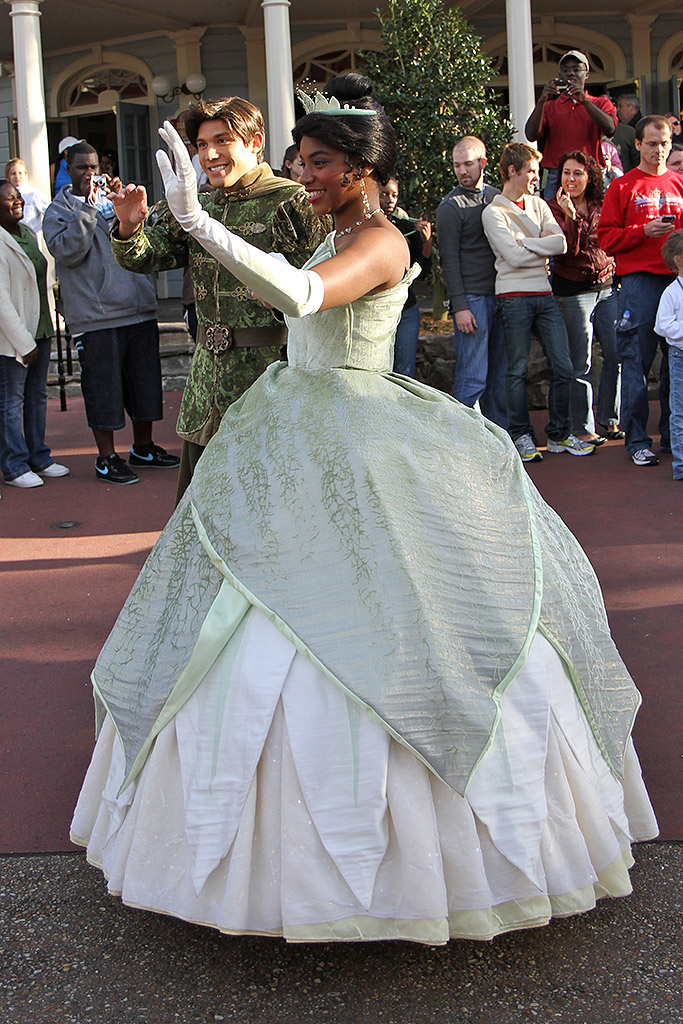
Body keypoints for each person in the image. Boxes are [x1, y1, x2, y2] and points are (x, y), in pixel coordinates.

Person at [70, 74, 657, 944]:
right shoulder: (342, 225)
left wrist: (198, 223)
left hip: (355, 423)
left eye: (318, 163)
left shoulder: (379, 239)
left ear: (363, 168)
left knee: (386, 603)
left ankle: (417, 855)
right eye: (299, 161)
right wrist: (172, 226)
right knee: (254, 592)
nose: (302, 175)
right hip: (289, 418)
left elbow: (304, 299)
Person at [109, 96, 328, 503]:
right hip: (206, 385)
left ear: (255, 141)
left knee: (271, 504)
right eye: (201, 145)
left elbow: (319, 289)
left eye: (221, 141)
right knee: (201, 511)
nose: (209, 155)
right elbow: (150, 255)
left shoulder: (292, 202)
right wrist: (128, 225)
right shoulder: (200, 203)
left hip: (270, 381)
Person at [43, 142, 179, 485]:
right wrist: (88, 211)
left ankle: (144, 447)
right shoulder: (57, 210)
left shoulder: (114, 198)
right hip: (96, 317)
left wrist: (124, 207)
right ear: (67, 168)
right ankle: (106, 458)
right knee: (103, 390)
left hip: (139, 309)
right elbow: (67, 252)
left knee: (145, 385)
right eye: (81, 168)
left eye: (94, 166)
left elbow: (139, 239)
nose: (89, 174)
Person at [482, 142, 596, 462]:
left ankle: (560, 434)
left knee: (564, 365)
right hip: (513, 297)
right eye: (531, 170)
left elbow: (559, 244)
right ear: (511, 171)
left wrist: (524, 243)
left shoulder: (539, 204)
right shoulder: (493, 212)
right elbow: (514, 257)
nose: (537, 176)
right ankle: (521, 434)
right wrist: (536, 245)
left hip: (544, 294)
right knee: (517, 369)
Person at [598, 115, 683, 466]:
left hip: (676, 280)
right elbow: (605, 237)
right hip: (639, 282)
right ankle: (636, 439)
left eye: (664, 143)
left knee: (674, 364)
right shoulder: (622, 187)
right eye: (651, 143)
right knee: (636, 361)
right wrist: (642, 232)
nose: (658, 150)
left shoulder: (679, 183)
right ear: (637, 145)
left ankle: (670, 435)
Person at [547, 151, 621, 443]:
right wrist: (571, 216)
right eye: (566, 173)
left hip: (607, 287)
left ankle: (611, 418)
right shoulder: (552, 207)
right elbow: (568, 250)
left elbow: (609, 241)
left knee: (616, 355)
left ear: (589, 177)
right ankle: (582, 426)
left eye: (578, 173)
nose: (571, 179)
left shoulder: (600, 205)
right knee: (581, 362)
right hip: (573, 292)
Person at [0, 180, 68, 489]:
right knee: (11, 402)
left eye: (17, 196)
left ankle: (39, 457)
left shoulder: (27, 234)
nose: (18, 201)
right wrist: (22, 341)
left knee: (37, 397)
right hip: (14, 339)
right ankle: (14, 465)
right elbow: (1, 301)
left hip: (40, 328)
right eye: (9, 198)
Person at [436, 136, 508, 427]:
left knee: (500, 375)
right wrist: (460, 305)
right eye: (457, 165)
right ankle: (461, 439)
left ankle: (500, 437)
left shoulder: (497, 196)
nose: (462, 171)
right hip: (473, 301)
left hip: (503, 295)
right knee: (472, 376)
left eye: (468, 164)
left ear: (483, 163)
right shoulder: (450, 207)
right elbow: (449, 261)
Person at [525, 51, 617, 199]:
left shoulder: (599, 103)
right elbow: (531, 134)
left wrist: (584, 100)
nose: (571, 73)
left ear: (586, 74)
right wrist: (542, 100)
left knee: (592, 217)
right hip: (557, 174)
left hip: (589, 173)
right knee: (554, 219)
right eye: (566, 70)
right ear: (560, 76)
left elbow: (610, 129)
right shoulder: (550, 106)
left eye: (576, 69)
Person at [379, 176, 432, 376]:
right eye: (384, 194)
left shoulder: (406, 227)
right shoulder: (365, 228)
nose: (390, 200)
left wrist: (426, 242)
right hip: (380, 309)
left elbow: (422, 270)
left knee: (404, 371)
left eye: (394, 195)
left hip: (407, 309)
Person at [655, 231, 683, 480]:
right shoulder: (672, 293)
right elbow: (662, 325)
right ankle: (682, 464)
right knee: (680, 410)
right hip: (679, 357)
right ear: (678, 260)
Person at [5, 158, 51, 236]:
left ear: (25, 175)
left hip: (31, 237)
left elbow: (51, 212)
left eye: (20, 173)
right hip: (12, 237)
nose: (17, 176)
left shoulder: (34, 194)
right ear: (7, 177)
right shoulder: (4, 197)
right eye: (13, 173)